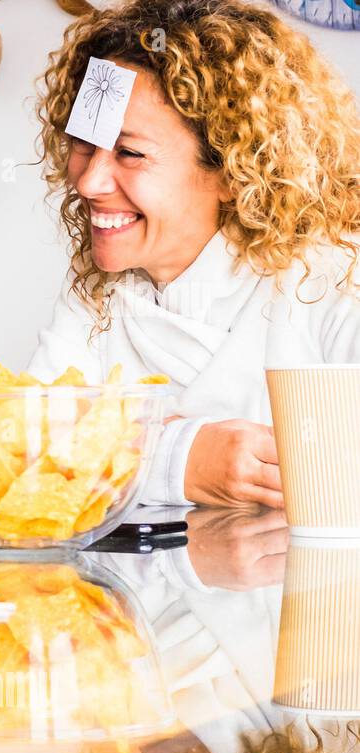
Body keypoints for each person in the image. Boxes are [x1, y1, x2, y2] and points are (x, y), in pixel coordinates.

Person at [28, 0, 360, 509]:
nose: (89, 182)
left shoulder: (335, 282)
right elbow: (26, 450)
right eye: (82, 145)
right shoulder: (97, 295)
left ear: (234, 170)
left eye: (129, 152)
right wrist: (175, 459)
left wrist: (120, 444)